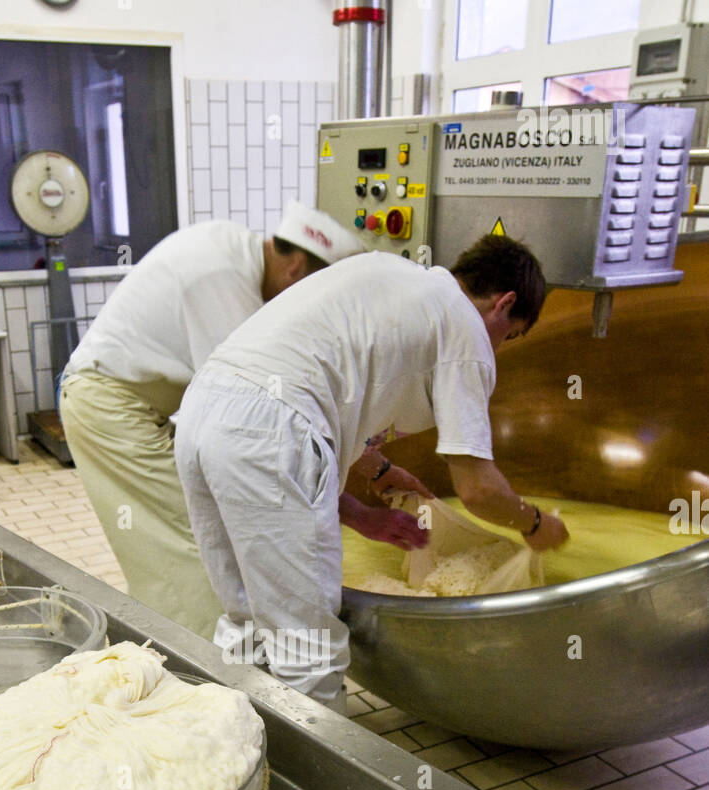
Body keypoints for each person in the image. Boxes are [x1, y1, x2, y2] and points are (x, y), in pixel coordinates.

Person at [173, 233, 570, 707]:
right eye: (509, 336)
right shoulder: (464, 327)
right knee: (308, 649)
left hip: (201, 412)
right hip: (268, 430)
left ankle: (241, 754)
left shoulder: (385, 272)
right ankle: (316, 776)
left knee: (249, 621)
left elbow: (314, 387)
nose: (499, 349)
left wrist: (377, 478)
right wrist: (535, 524)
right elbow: (478, 488)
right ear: (503, 304)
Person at [58, 205, 364, 637]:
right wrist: (335, 499)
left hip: (133, 405)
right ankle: (202, 678)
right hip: (108, 407)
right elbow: (251, 416)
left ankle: (194, 659)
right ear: (295, 268)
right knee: (189, 549)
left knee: (190, 540)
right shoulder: (221, 283)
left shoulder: (235, 250)